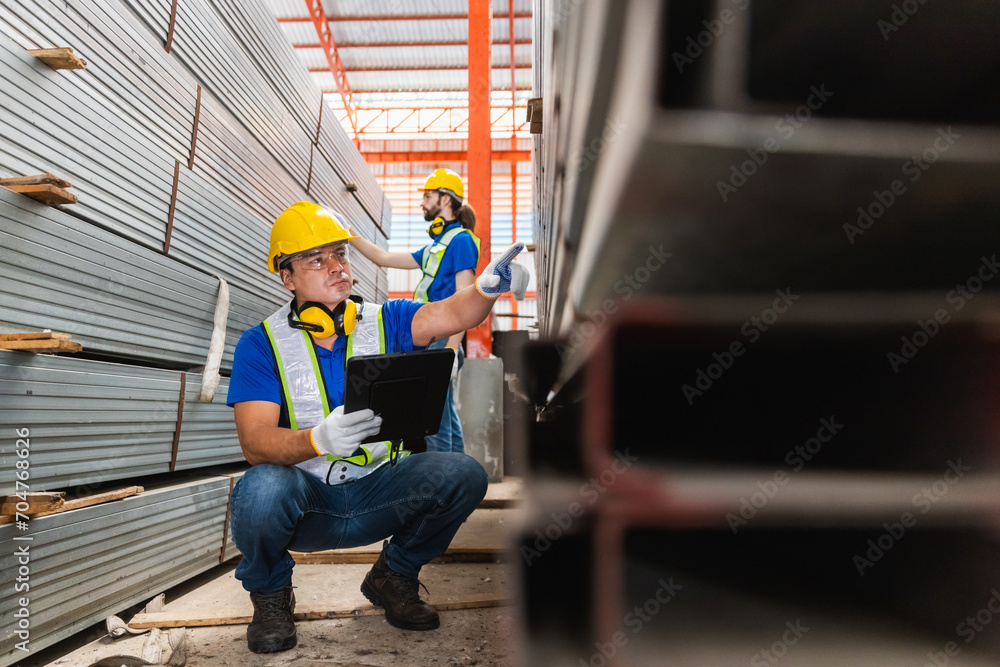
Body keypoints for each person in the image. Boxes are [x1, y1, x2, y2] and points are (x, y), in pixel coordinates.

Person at [226, 201, 527, 654]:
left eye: (340, 255)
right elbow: (254, 442)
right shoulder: (261, 344)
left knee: (463, 473)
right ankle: (271, 596)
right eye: (316, 259)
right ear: (287, 278)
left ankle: (393, 576)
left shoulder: (385, 320)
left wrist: (486, 289)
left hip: (381, 493)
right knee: (258, 488)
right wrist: (316, 439)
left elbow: (449, 314)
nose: (336, 267)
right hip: (310, 505)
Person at [349, 168, 479, 454]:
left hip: (444, 342)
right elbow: (383, 257)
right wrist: (347, 235)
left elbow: (464, 303)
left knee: (433, 424)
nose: (422, 202)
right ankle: (458, 484)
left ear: (446, 199)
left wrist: (451, 353)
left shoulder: (461, 241)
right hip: (434, 339)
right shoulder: (438, 245)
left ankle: (440, 492)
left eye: (428, 195)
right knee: (446, 419)